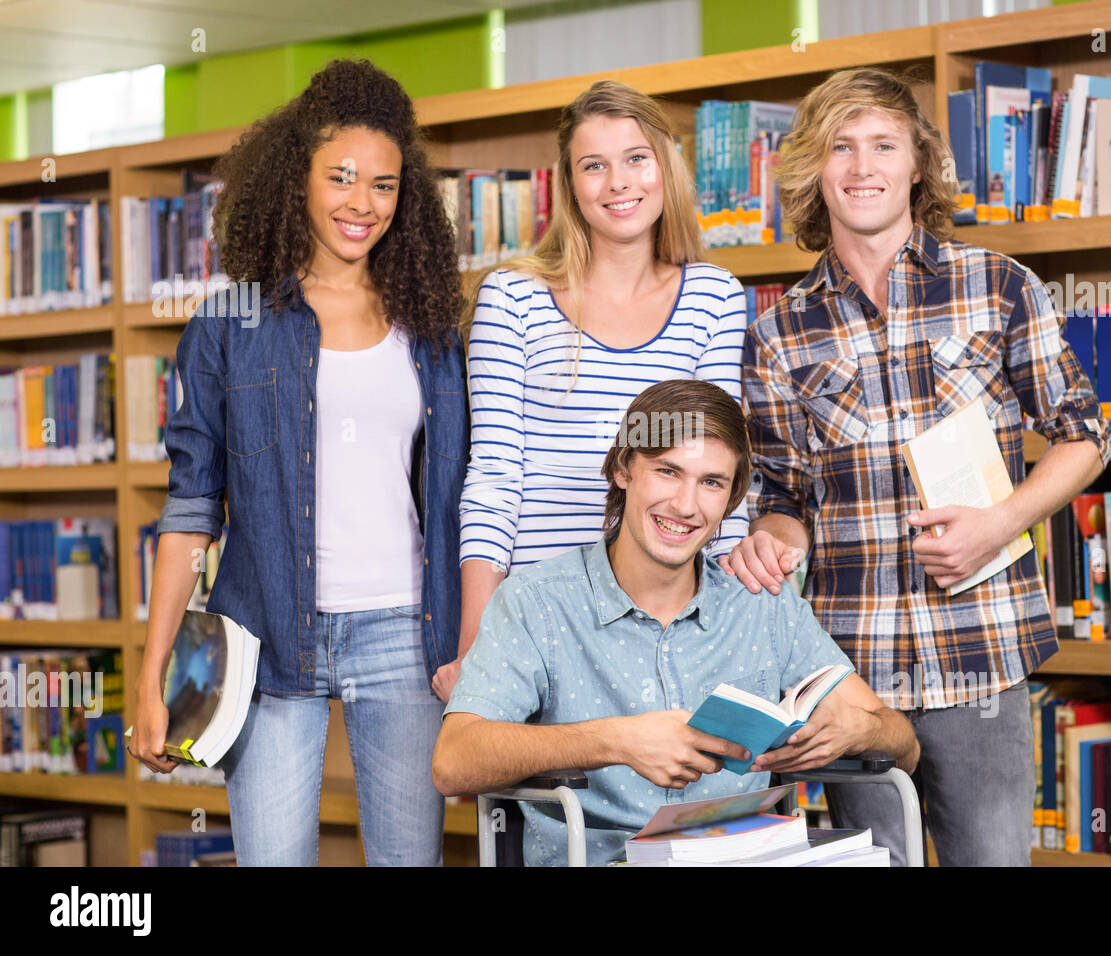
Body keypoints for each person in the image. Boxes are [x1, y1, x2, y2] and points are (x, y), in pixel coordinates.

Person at [726, 68, 1111, 866]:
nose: (862, 167)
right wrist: (769, 533)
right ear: (812, 171)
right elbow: (783, 492)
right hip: (849, 674)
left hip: (982, 652)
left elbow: (1084, 436)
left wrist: (998, 524)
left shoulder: (999, 288)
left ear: (917, 166)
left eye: (883, 146)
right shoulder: (778, 334)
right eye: (841, 147)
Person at [128, 59, 467, 866]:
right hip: (266, 634)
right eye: (341, 177)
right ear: (297, 177)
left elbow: (462, 494)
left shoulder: (431, 327)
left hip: (405, 631)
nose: (362, 203)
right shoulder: (229, 325)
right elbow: (188, 512)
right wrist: (153, 680)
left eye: (384, 185)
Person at [433, 379, 920, 866]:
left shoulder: (764, 606)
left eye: (711, 482)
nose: (686, 506)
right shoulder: (535, 603)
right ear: (623, 469)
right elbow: (453, 762)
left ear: (731, 498)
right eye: (668, 471)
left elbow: (904, 746)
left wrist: (859, 730)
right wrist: (617, 740)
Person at [439, 80, 750, 703]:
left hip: (664, 615)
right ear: (570, 185)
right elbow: (496, 474)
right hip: (537, 615)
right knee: (545, 797)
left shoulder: (714, 298)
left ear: (666, 168)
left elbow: (720, 477)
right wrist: (477, 638)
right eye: (594, 165)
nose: (618, 183)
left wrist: (735, 626)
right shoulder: (513, 297)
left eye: (636, 158)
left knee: (679, 795)